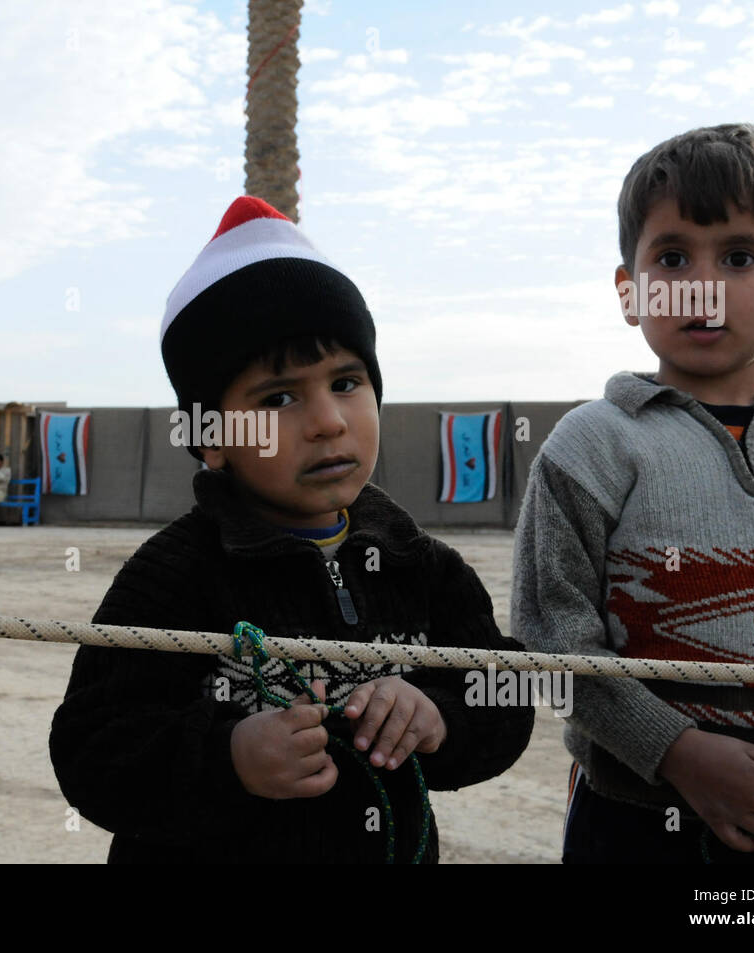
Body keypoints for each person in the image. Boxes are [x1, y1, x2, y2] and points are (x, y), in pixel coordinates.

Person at [50, 196, 533, 863]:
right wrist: (228, 758)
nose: (328, 419)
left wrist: (436, 715)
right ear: (210, 437)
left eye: (346, 380)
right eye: (279, 397)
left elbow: (505, 699)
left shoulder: (423, 566)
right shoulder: (174, 576)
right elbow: (92, 749)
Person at [512, 123, 754, 864]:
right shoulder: (591, 446)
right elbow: (551, 638)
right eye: (672, 256)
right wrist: (678, 752)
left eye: (739, 256)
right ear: (629, 290)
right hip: (634, 819)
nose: (702, 286)